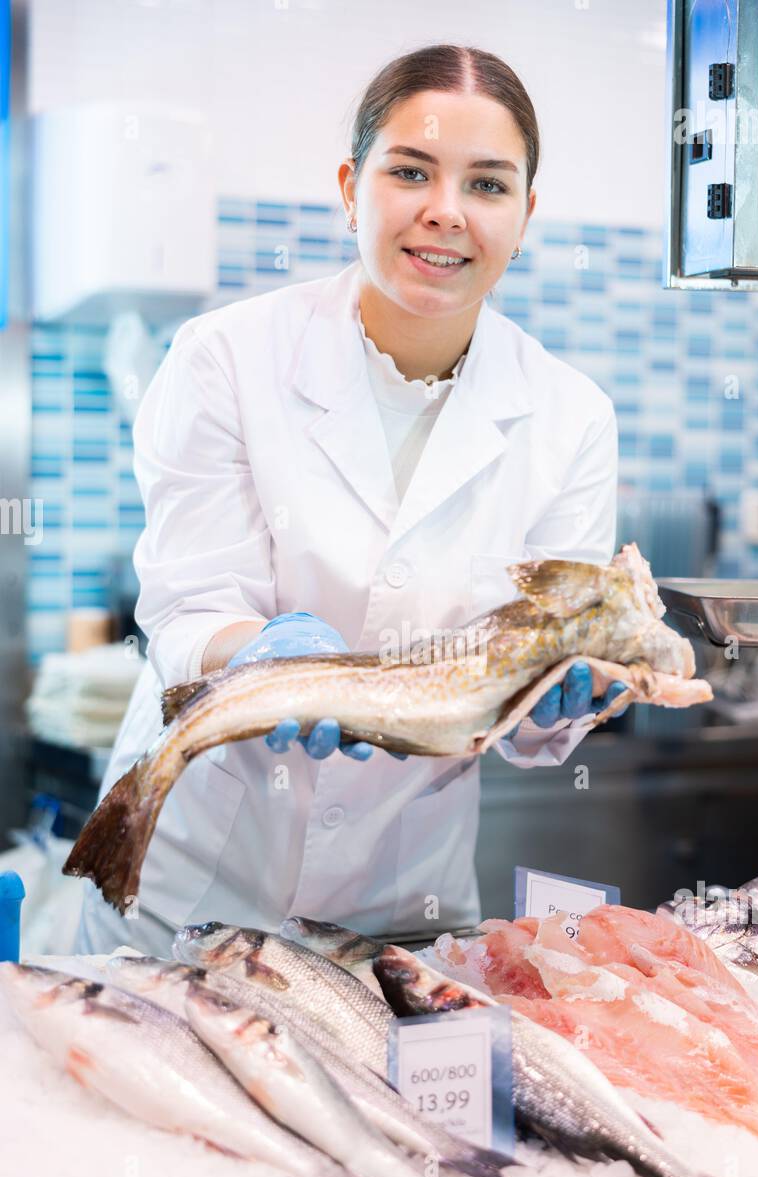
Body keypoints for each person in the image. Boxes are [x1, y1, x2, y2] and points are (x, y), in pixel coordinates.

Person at [75, 43, 624, 957]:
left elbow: (534, 715)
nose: (445, 211)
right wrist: (258, 654)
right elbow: (188, 610)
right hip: (189, 885)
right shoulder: (224, 359)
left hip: (399, 906)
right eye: (410, 172)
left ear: (526, 216)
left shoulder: (572, 417)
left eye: (487, 185)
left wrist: (561, 698)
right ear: (349, 188)